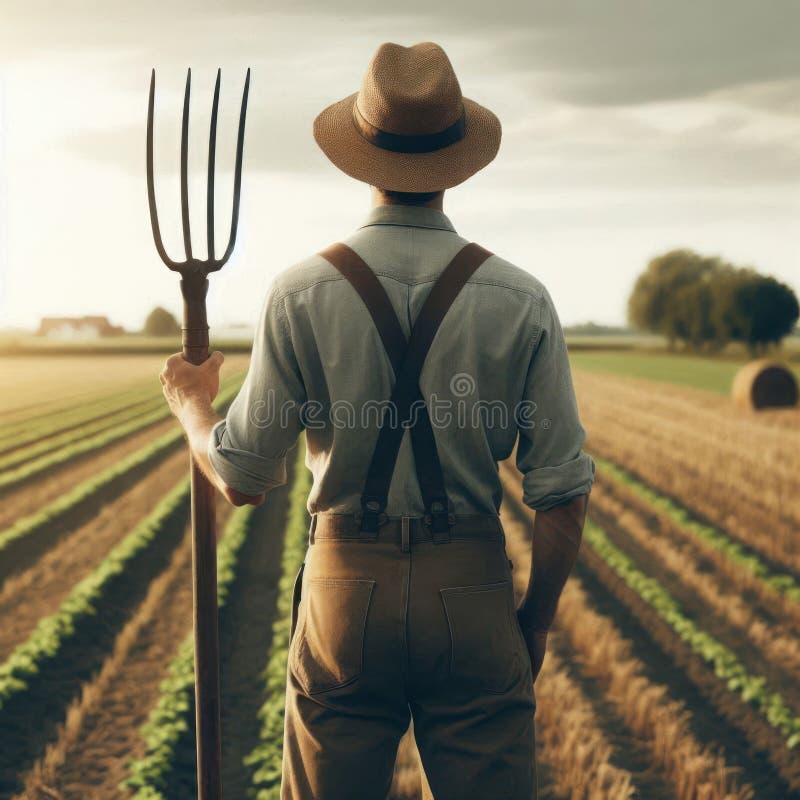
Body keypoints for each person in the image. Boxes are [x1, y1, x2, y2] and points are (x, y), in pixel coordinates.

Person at [160, 40, 594, 800]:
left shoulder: (299, 292)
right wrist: (533, 621)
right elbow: (561, 489)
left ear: (361, 160)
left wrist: (193, 405)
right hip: (473, 591)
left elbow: (241, 478)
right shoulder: (521, 297)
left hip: (344, 590)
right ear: (456, 163)